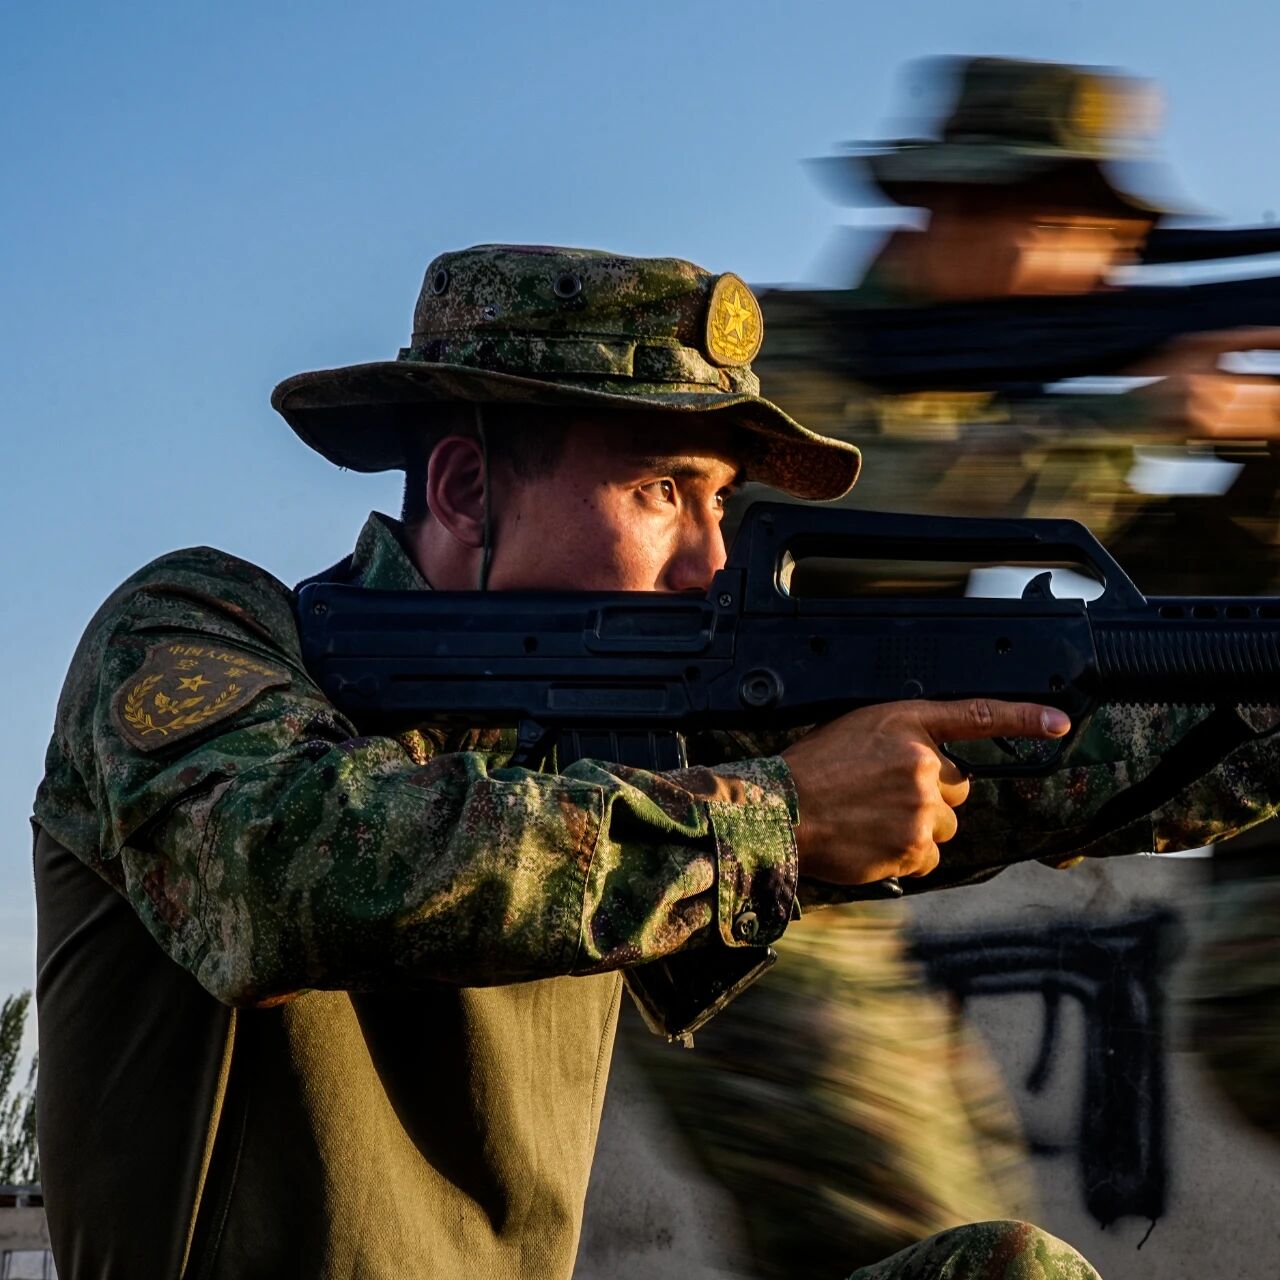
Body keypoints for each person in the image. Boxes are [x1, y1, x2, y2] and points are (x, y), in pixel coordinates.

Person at [32, 242, 1276, 1280]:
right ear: (463, 485)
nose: (703, 560)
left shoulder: (646, 745)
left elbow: (1080, 755)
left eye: (720, 504)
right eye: (663, 489)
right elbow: (277, 871)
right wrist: (776, 818)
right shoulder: (203, 633)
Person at [623, 57, 1280, 1280]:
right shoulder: (776, 352)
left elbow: (1151, 592)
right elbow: (853, 489)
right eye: (1066, 225)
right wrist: (1147, 417)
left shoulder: (1000, 395)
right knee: (919, 1237)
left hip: (835, 865)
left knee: (944, 1216)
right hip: (697, 830)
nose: (1103, 266)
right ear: (952, 209)